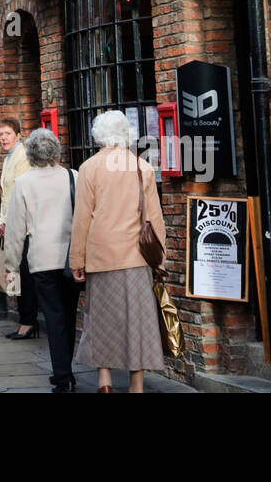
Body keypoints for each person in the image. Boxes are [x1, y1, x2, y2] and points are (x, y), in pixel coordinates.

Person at [70, 110, 167, 394]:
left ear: (98, 135)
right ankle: (136, 386)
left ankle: (105, 382)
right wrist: (160, 259)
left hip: (101, 258)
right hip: (136, 257)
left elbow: (82, 219)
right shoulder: (142, 167)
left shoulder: (89, 168)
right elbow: (155, 218)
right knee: (137, 323)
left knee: (101, 320)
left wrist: (77, 259)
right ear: (126, 134)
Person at [4, 128, 81, 393]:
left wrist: (11, 266)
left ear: (31, 153)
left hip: (42, 261)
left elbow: (14, 230)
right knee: (69, 316)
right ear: (56, 151)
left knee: (54, 317)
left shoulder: (24, 183)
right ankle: (65, 370)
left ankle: (63, 376)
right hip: (72, 260)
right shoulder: (74, 176)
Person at [0, 119, 38, 339]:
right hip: (10, 223)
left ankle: (28, 321)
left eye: (7, 133)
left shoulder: (22, 157)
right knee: (15, 273)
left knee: (23, 272)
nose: (3, 137)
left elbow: (20, 194)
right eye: (1, 134)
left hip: (22, 225)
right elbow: (5, 194)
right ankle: (24, 318)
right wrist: (2, 221)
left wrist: (10, 221)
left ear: (18, 135)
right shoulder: (9, 157)